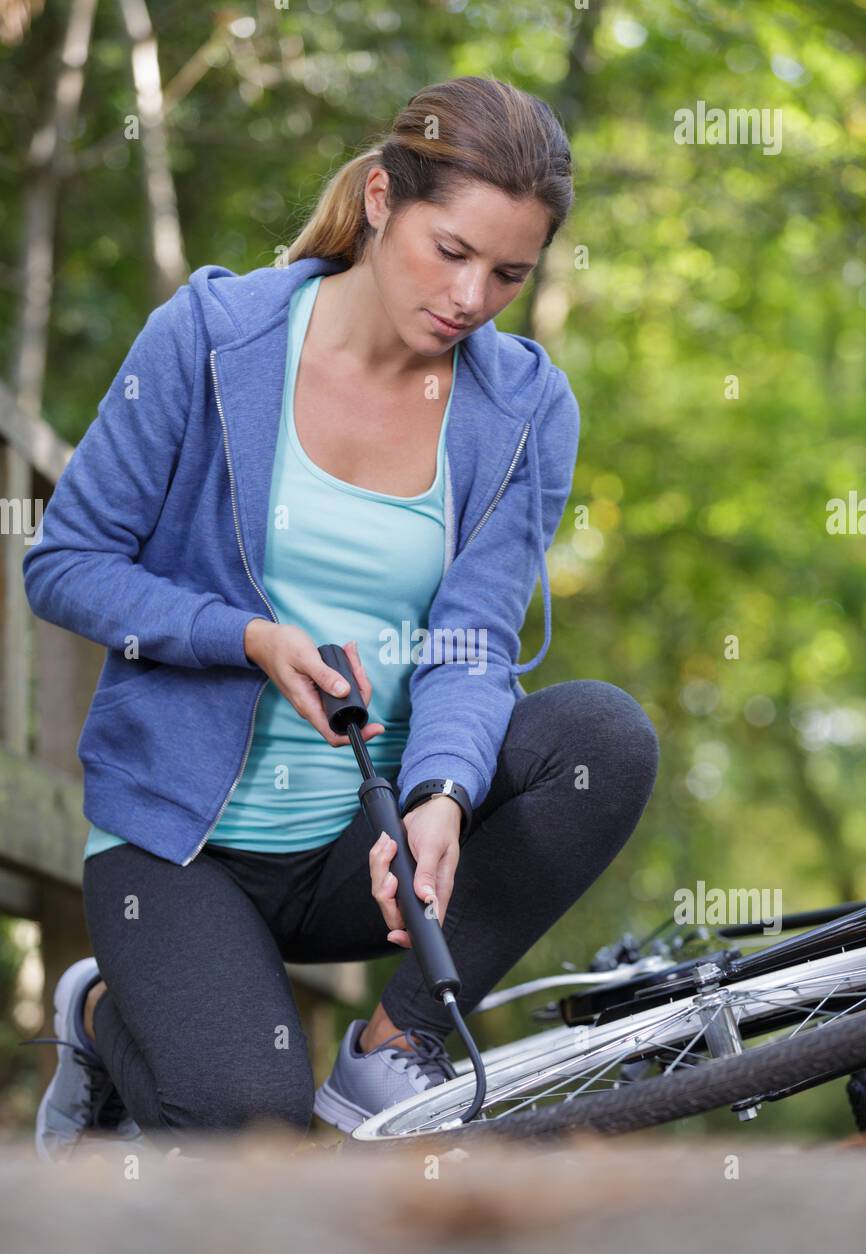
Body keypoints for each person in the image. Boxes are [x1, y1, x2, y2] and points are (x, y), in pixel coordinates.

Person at [22, 75, 659, 1161]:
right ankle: (98, 1017)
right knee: (248, 1130)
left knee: (602, 737)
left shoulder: (522, 409)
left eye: (509, 272)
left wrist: (441, 796)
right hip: (180, 851)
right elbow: (67, 565)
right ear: (378, 199)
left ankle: (390, 1048)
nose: (471, 297)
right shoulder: (212, 338)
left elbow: (471, 642)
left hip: (364, 849)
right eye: (449, 251)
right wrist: (245, 638)